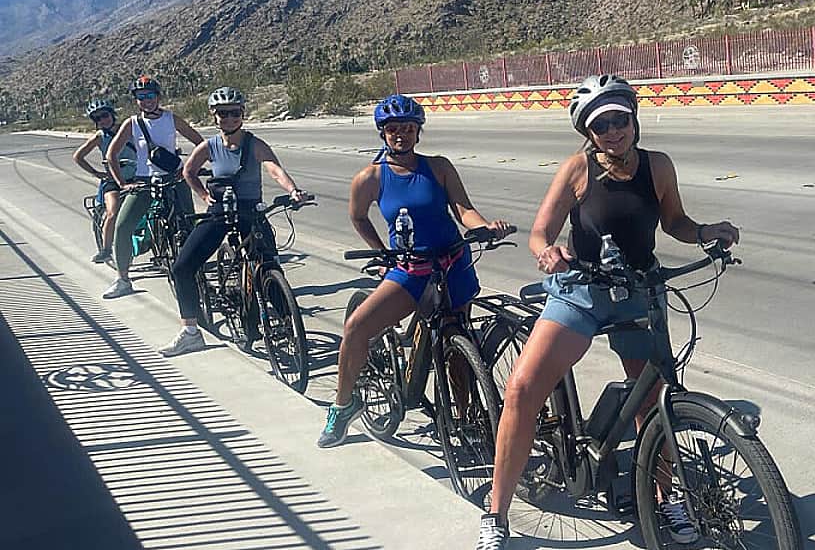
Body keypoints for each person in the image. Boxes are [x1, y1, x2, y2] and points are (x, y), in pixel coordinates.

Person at [477, 74, 740, 550]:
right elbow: (540, 232)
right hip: (581, 292)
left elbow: (674, 220)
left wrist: (705, 231)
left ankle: (665, 499)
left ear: (634, 121)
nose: (614, 130)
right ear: (589, 132)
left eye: (621, 120)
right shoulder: (577, 171)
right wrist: (548, 252)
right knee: (522, 389)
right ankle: (496, 511)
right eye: (603, 125)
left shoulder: (657, 166)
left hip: (639, 290)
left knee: (651, 401)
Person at [318, 94, 511, 448]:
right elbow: (358, 217)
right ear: (383, 133)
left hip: (453, 264)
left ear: (418, 131)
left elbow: (463, 209)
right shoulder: (370, 177)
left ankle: (463, 419)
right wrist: (382, 254)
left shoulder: (438, 167)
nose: (400, 135)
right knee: (355, 327)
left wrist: (483, 227)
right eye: (393, 129)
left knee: (458, 341)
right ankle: (342, 406)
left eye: (408, 128)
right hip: (410, 269)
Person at [159, 86, 309, 356]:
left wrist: (293, 190)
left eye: (234, 113)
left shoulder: (255, 144)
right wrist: (204, 195)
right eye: (222, 113)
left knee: (268, 268)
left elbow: (274, 169)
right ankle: (190, 332)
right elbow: (189, 172)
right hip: (220, 212)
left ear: (243, 114)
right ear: (213, 116)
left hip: (250, 212)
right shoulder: (210, 146)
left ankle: (291, 328)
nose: (228, 118)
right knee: (182, 266)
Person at [102, 75, 204, 299]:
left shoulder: (171, 119)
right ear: (136, 100)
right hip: (144, 181)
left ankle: (195, 271)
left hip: (174, 178)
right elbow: (111, 155)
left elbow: (201, 144)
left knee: (188, 225)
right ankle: (123, 279)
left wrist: (188, 169)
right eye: (141, 97)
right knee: (123, 226)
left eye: (150, 96)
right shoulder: (132, 124)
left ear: (158, 97)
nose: (146, 100)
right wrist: (123, 184)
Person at [72, 98, 137, 263]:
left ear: (112, 114)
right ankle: (106, 250)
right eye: (97, 118)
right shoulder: (100, 137)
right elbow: (78, 156)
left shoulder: (128, 129)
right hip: (113, 180)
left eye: (104, 115)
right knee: (112, 212)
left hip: (137, 176)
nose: (102, 120)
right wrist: (96, 173)